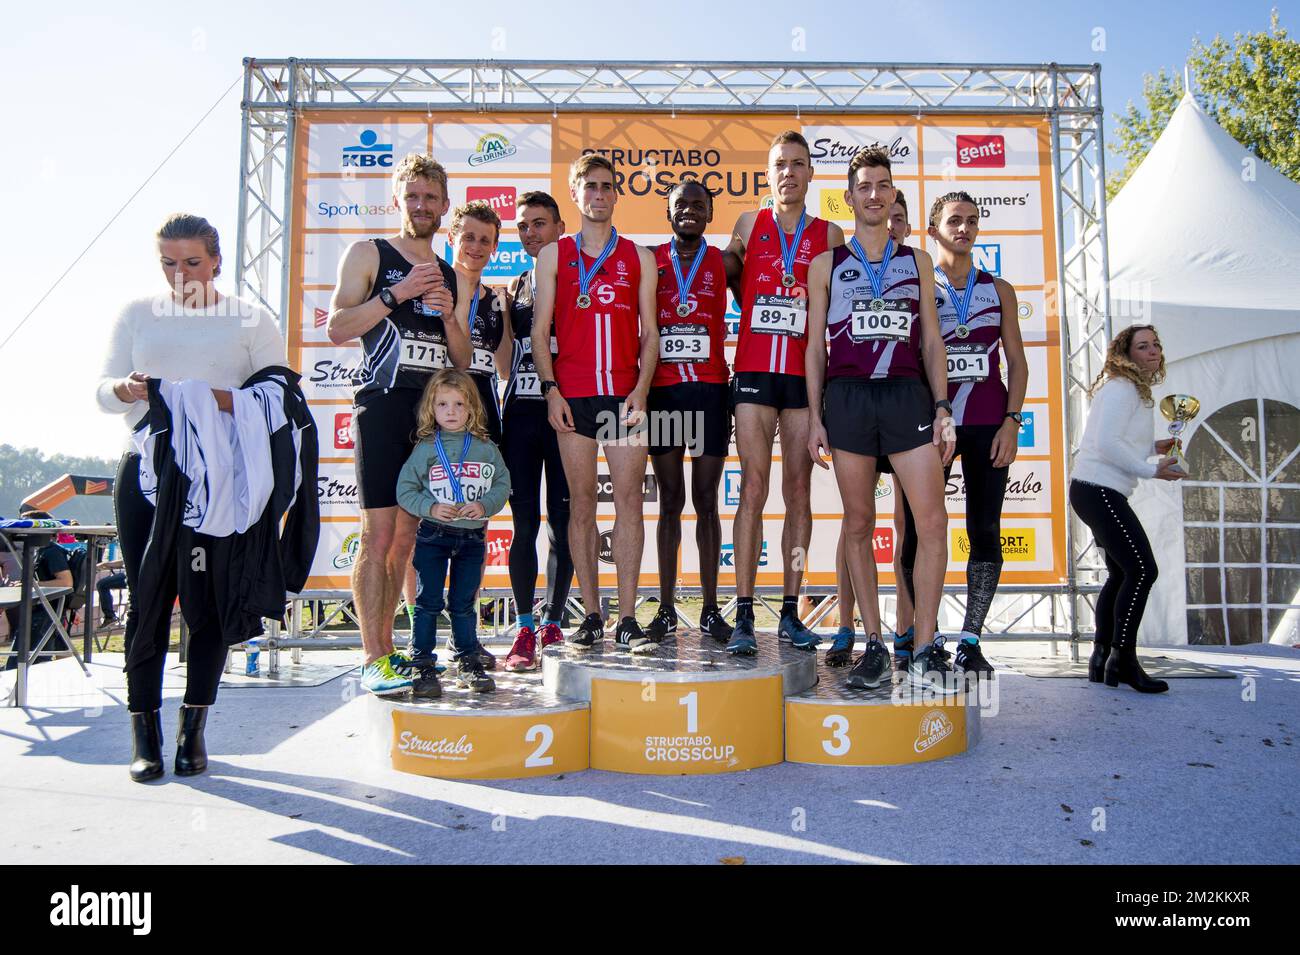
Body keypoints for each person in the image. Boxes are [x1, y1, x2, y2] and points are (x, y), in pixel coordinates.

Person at [96, 212, 287, 781]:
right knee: (148, 599)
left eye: (193, 263)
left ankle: (192, 731)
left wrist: (213, 401)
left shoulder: (252, 319)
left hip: (216, 484)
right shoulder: (136, 314)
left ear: (218, 261)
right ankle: (144, 734)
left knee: (206, 604)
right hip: (146, 475)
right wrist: (127, 388)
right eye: (168, 263)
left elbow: (279, 396)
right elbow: (103, 391)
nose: (180, 275)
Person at [805, 147, 956, 692]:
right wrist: (817, 415)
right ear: (848, 197)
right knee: (858, 524)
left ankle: (924, 644)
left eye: (883, 185)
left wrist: (943, 407)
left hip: (907, 397)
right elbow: (814, 347)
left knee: (932, 522)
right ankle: (872, 641)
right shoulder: (827, 265)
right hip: (847, 398)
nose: (874, 194)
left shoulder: (916, 261)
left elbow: (934, 340)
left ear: (893, 194)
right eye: (864, 186)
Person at [327, 153, 468, 696]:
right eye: (412, 196)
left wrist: (449, 312)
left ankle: (389, 651)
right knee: (379, 533)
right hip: (383, 404)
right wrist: (396, 294)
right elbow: (338, 327)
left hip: (430, 413)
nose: (422, 206)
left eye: (431, 198)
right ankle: (371, 655)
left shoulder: (449, 271)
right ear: (397, 200)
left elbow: (460, 360)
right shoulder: (369, 253)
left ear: (444, 206)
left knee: (406, 538)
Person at [889, 192, 1029, 676]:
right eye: (954, 221)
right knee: (916, 534)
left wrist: (1013, 421)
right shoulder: (920, 285)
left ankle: (970, 638)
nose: (964, 228)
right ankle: (918, 635)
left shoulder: (1000, 289)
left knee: (984, 531)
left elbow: (1016, 362)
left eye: (972, 221)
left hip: (989, 424)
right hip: (932, 426)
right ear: (933, 229)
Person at [530, 154, 660, 653]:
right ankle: (591, 614)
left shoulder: (638, 256)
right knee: (580, 505)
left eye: (607, 187)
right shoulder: (553, 256)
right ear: (575, 192)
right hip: (573, 397)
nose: (599, 195)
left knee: (628, 502)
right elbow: (541, 333)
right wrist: (550, 389)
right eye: (590, 187)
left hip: (624, 397)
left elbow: (652, 335)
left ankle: (626, 617)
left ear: (615, 195)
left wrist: (642, 390)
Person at [723, 130, 845, 655]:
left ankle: (792, 609)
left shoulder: (832, 233)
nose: (789, 173)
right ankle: (745, 612)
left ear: (811, 173)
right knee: (753, 488)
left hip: (803, 376)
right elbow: (726, 275)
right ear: (768, 174)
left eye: (798, 164)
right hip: (752, 369)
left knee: (798, 492)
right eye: (779, 165)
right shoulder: (748, 224)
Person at [644, 181, 734, 645]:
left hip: (711, 391)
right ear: (667, 211)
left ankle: (712, 609)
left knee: (706, 502)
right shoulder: (647, 259)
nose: (689, 211)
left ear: (711, 213)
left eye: (698, 205)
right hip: (663, 392)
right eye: (681, 205)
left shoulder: (724, 260)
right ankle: (663, 608)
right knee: (670, 503)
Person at [1069, 325, 1183, 693]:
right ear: (1127, 353)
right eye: (1143, 346)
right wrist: (1152, 469)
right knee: (1143, 570)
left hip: (1094, 490)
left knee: (1122, 574)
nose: (1153, 352)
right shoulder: (1122, 388)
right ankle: (1124, 659)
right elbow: (1106, 443)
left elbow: (1120, 440)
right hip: (1098, 489)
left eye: (1156, 345)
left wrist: (1153, 446)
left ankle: (1102, 658)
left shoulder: (1130, 390)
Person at [828, 194, 913, 667]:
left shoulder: (916, 271)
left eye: (901, 219)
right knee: (855, 521)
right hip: (858, 402)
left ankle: (909, 627)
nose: (893, 226)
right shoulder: (848, 264)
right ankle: (847, 625)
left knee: (910, 526)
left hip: (903, 405)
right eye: (890, 218)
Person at [395, 370, 512, 697]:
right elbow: (405, 489)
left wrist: (486, 504)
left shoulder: (485, 448)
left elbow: (503, 483)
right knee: (428, 601)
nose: (451, 411)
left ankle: (467, 660)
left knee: (464, 603)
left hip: (472, 538)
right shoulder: (426, 448)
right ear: (431, 408)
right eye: (443, 404)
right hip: (433, 535)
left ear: (472, 408)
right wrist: (429, 508)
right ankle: (422, 665)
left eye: (459, 404)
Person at [499, 192, 574, 671]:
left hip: (566, 416)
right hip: (522, 417)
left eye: (540, 224)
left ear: (561, 227)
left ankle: (553, 619)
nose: (530, 233)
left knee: (563, 525)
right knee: (524, 524)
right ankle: (525, 626)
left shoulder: (579, 277)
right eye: (523, 226)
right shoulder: (516, 285)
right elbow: (506, 364)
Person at [449, 201, 512, 444]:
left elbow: (505, 368)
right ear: (452, 238)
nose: (476, 247)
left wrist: (505, 315)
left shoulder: (497, 300)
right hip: (441, 414)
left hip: (484, 419)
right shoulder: (433, 287)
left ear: (495, 247)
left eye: (485, 241)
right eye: (468, 237)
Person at [2, 510, 74, 672]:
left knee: (18, 668)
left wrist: (32, 584)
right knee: (60, 657)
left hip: (45, 614)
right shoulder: (39, 550)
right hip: (46, 612)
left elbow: (66, 582)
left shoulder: (51, 551)